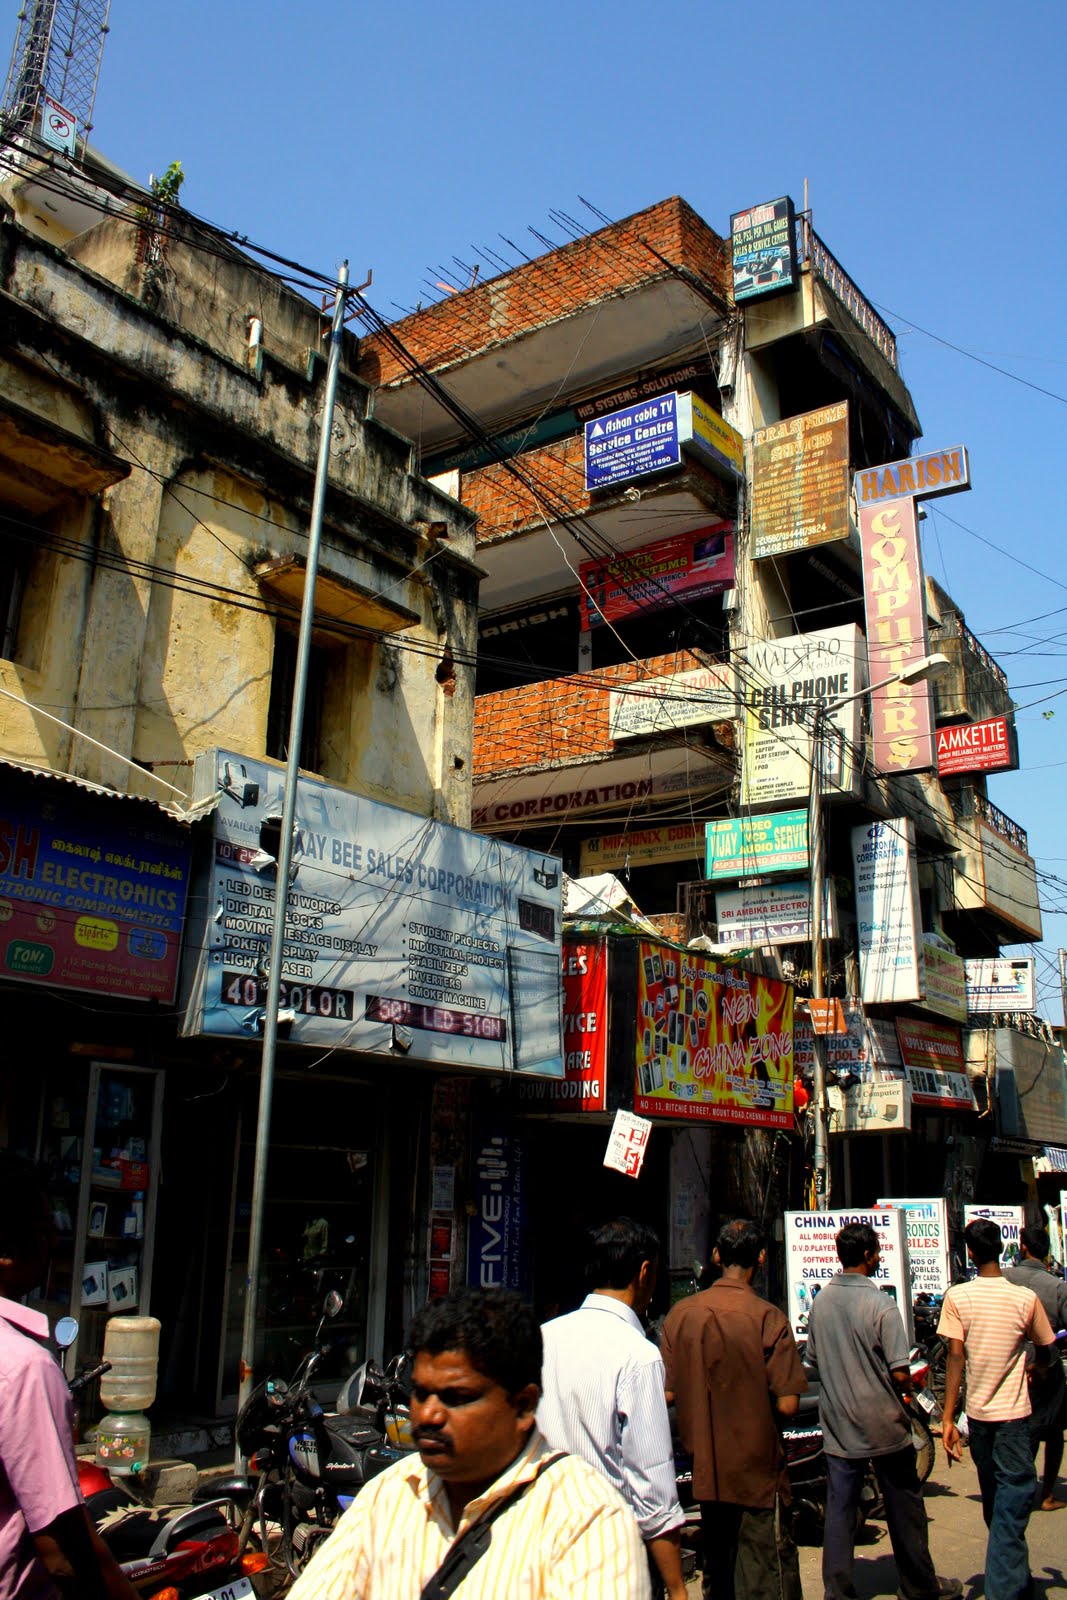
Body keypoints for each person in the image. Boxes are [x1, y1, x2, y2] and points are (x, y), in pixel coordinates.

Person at [287, 1283, 650, 1599]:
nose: (428, 1415)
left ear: (522, 1406)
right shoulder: (388, 1495)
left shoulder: (586, 1519)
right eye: (421, 1393)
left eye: (456, 1397)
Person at [0, 1154, 139, 1600]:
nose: (54, 1241)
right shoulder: (24, 1368)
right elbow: (61, 1546)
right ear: (8, 1251)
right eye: (44, 1229)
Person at [805, 1221, 960, 1600]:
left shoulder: (821, 1302)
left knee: (840, 1513)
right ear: (868, 1256)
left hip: (840, 1427)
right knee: (904, 1508)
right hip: (884, 1426)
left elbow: (814, 1360)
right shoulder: (881, 1304)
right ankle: (920, 1586)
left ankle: (837, 1591)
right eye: (876, 1252)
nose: (879, 1258)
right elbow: (900, 1371)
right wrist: (909, 1390)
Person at [538, 1218, 686, 1600]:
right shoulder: (639, 1356)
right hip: (609, 1561)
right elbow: (653, 1491)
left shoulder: (543, 1337)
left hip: (538, 1548)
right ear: (645, 1272)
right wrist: (677, 1587)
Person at [660, 1218, 806, 1600]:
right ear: (760, 1257)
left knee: (719, 1575)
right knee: (763, 1576)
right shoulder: (767, 1317)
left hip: (706, 1471)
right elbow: (789, 1403)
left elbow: (668, 1394)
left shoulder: (680, 1315)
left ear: (716, 1256)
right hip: (757, 1473)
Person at [940, 1216, 1057, 1600]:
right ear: (1003, 1250)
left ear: (970, 1254)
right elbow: (1046, 1348)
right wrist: (1036, 1370)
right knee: (1008, 1501)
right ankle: (1009, 1588)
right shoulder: (1024, 1299)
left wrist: (947, 1416)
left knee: (998, 1501)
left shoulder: (958, 1297)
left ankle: (1012, 1584)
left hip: (979, 1417)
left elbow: (955, 1358)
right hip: (1013, 1419)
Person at [1005, 1224, 1067, 1511]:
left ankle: (1019, 1491)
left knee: (1019, 1427)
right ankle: (1046, 1495)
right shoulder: (1057, 1286)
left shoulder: (1004, 1279)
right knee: (1053, 1430)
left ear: (1024, 1248)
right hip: (1046, 1364)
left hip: (1010, 1362)